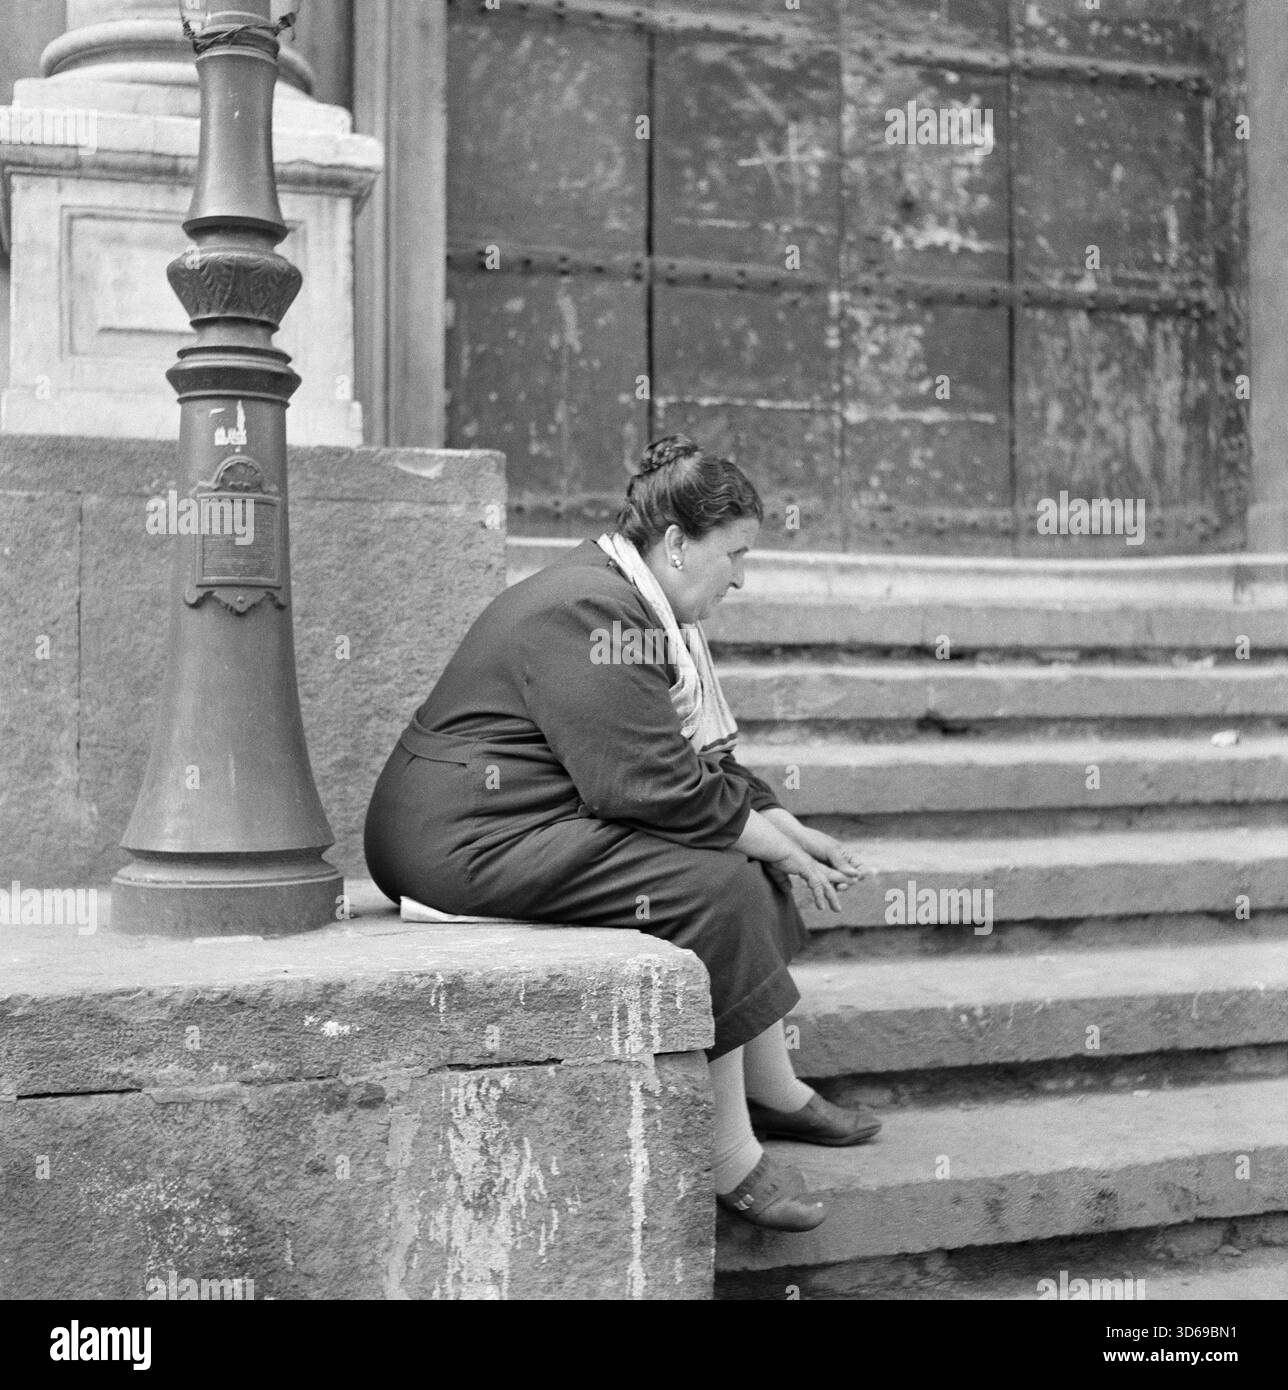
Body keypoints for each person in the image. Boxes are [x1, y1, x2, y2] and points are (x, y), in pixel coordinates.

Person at [363, 434, 881, 1231]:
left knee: (747, 851)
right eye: (735, 554)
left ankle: (770, 1091)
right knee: (721, 882)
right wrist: (764, 839)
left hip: (526, 815)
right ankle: (729, 1157)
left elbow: (697, 758)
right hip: (462, 841)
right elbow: (644, 783)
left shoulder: (640, 601)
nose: (743, 575)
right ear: (676, 544)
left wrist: (777, 819)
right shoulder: (589, 607)